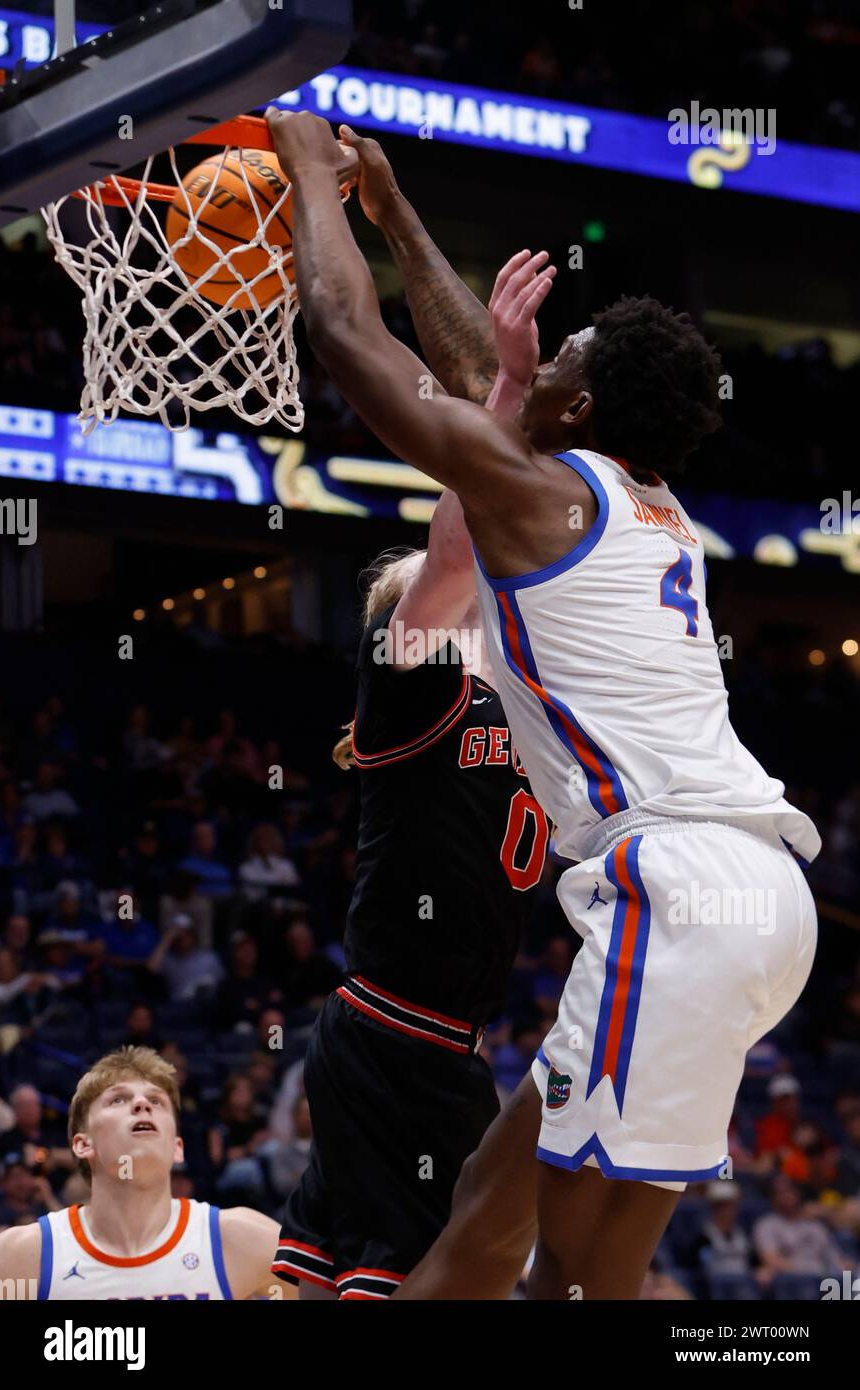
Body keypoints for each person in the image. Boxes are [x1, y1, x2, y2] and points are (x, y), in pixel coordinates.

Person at [265, 110, 820, 1300]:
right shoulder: (640, 496)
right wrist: (398, 211)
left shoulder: (547, 499)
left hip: (671, 891)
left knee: (569, 1270)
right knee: (492, 1227)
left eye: (559, 364)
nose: (538, 363)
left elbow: (349, 335)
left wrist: (312, 177)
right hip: (758, 895)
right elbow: (483, 383)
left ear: (573, 416)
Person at [273, 483, 548, 1299]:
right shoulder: (413, 690)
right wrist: (493, 411)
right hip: (404, 1030)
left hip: (410, 1035)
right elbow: (461, 550)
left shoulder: (532, 711)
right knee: (435, 1282)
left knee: (330, 1277)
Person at [0, 1046, 295, 1299]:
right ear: (83, 1144)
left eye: (156, 1101)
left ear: (177, 1148)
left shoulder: (241, 1238)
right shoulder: (22, 1257)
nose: (141, 1104)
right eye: (118, 1099)